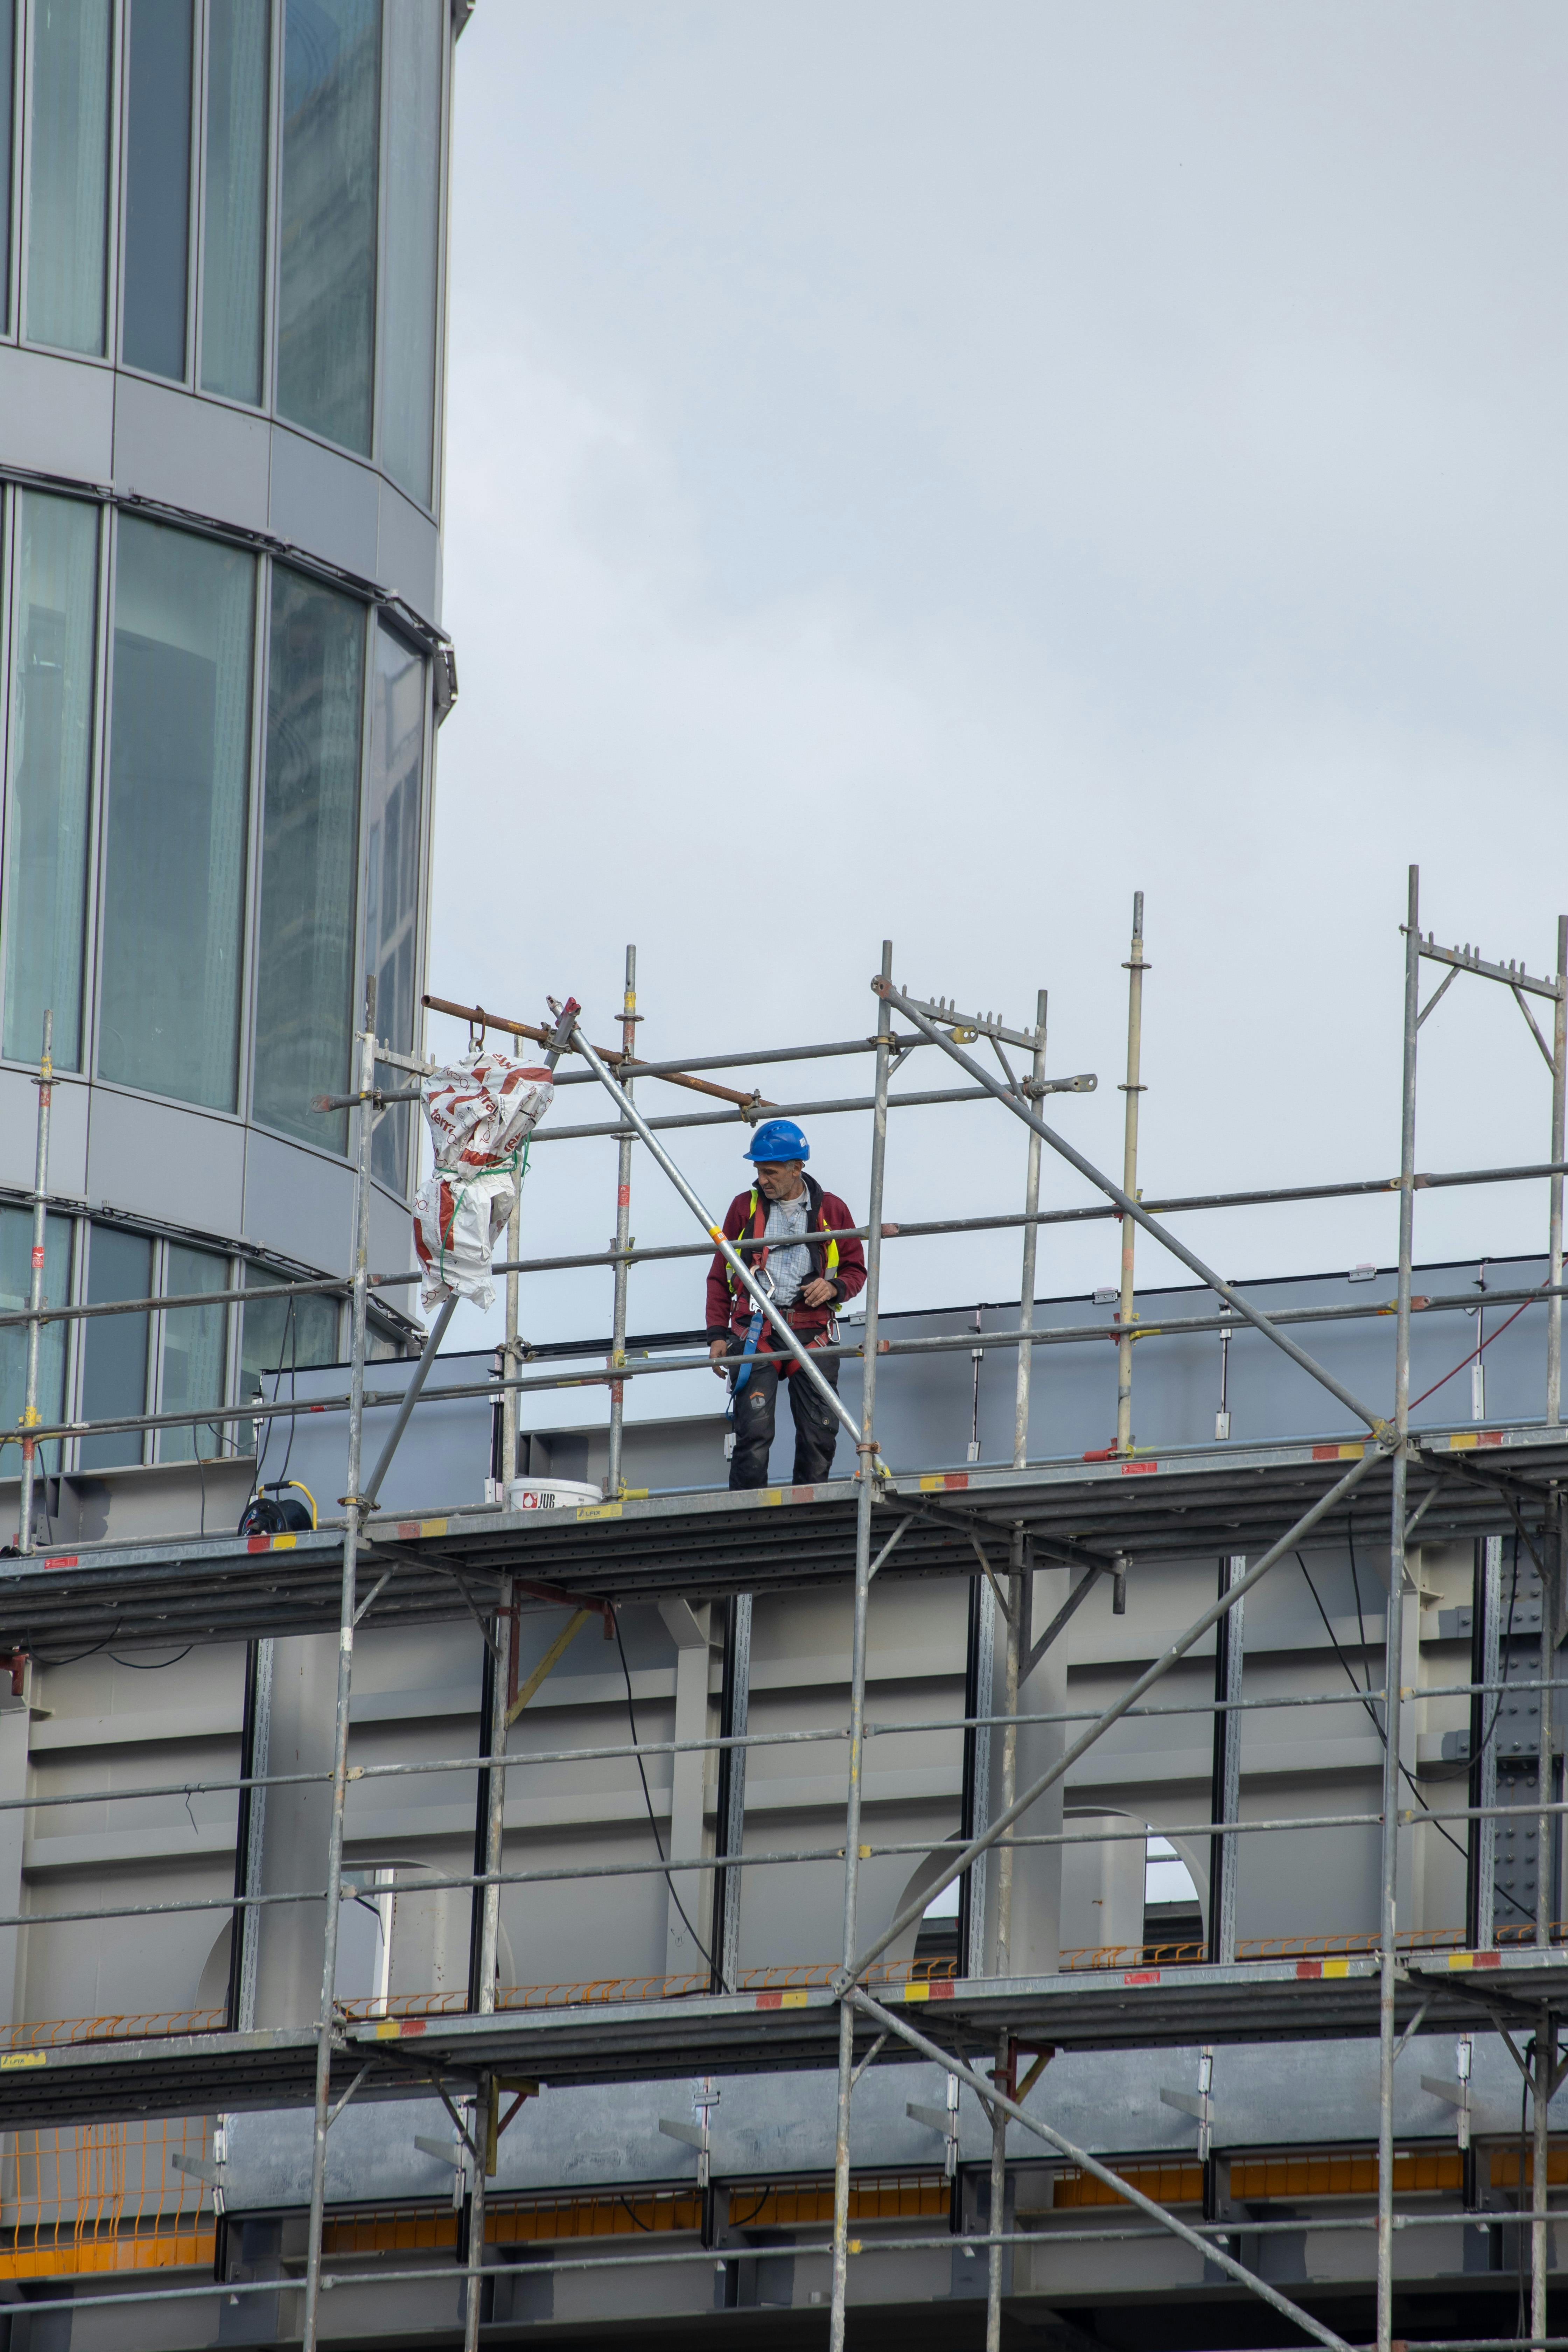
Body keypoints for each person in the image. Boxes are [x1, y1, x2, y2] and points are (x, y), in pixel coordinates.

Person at [706, 1120, 867, 1489]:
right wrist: (717, 1334)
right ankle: (747, 1520)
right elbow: (719, 1275)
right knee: (754, 1433)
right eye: (759, 1172)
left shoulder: (833, 1211)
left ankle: (806, 1517)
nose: (762, 1180)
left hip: (812, 1334)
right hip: (755, 1333)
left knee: (819, 1434)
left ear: (797, 1168)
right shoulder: (743, 1209)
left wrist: (834, 1288)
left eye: (770, 1172)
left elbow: (856, 1269)